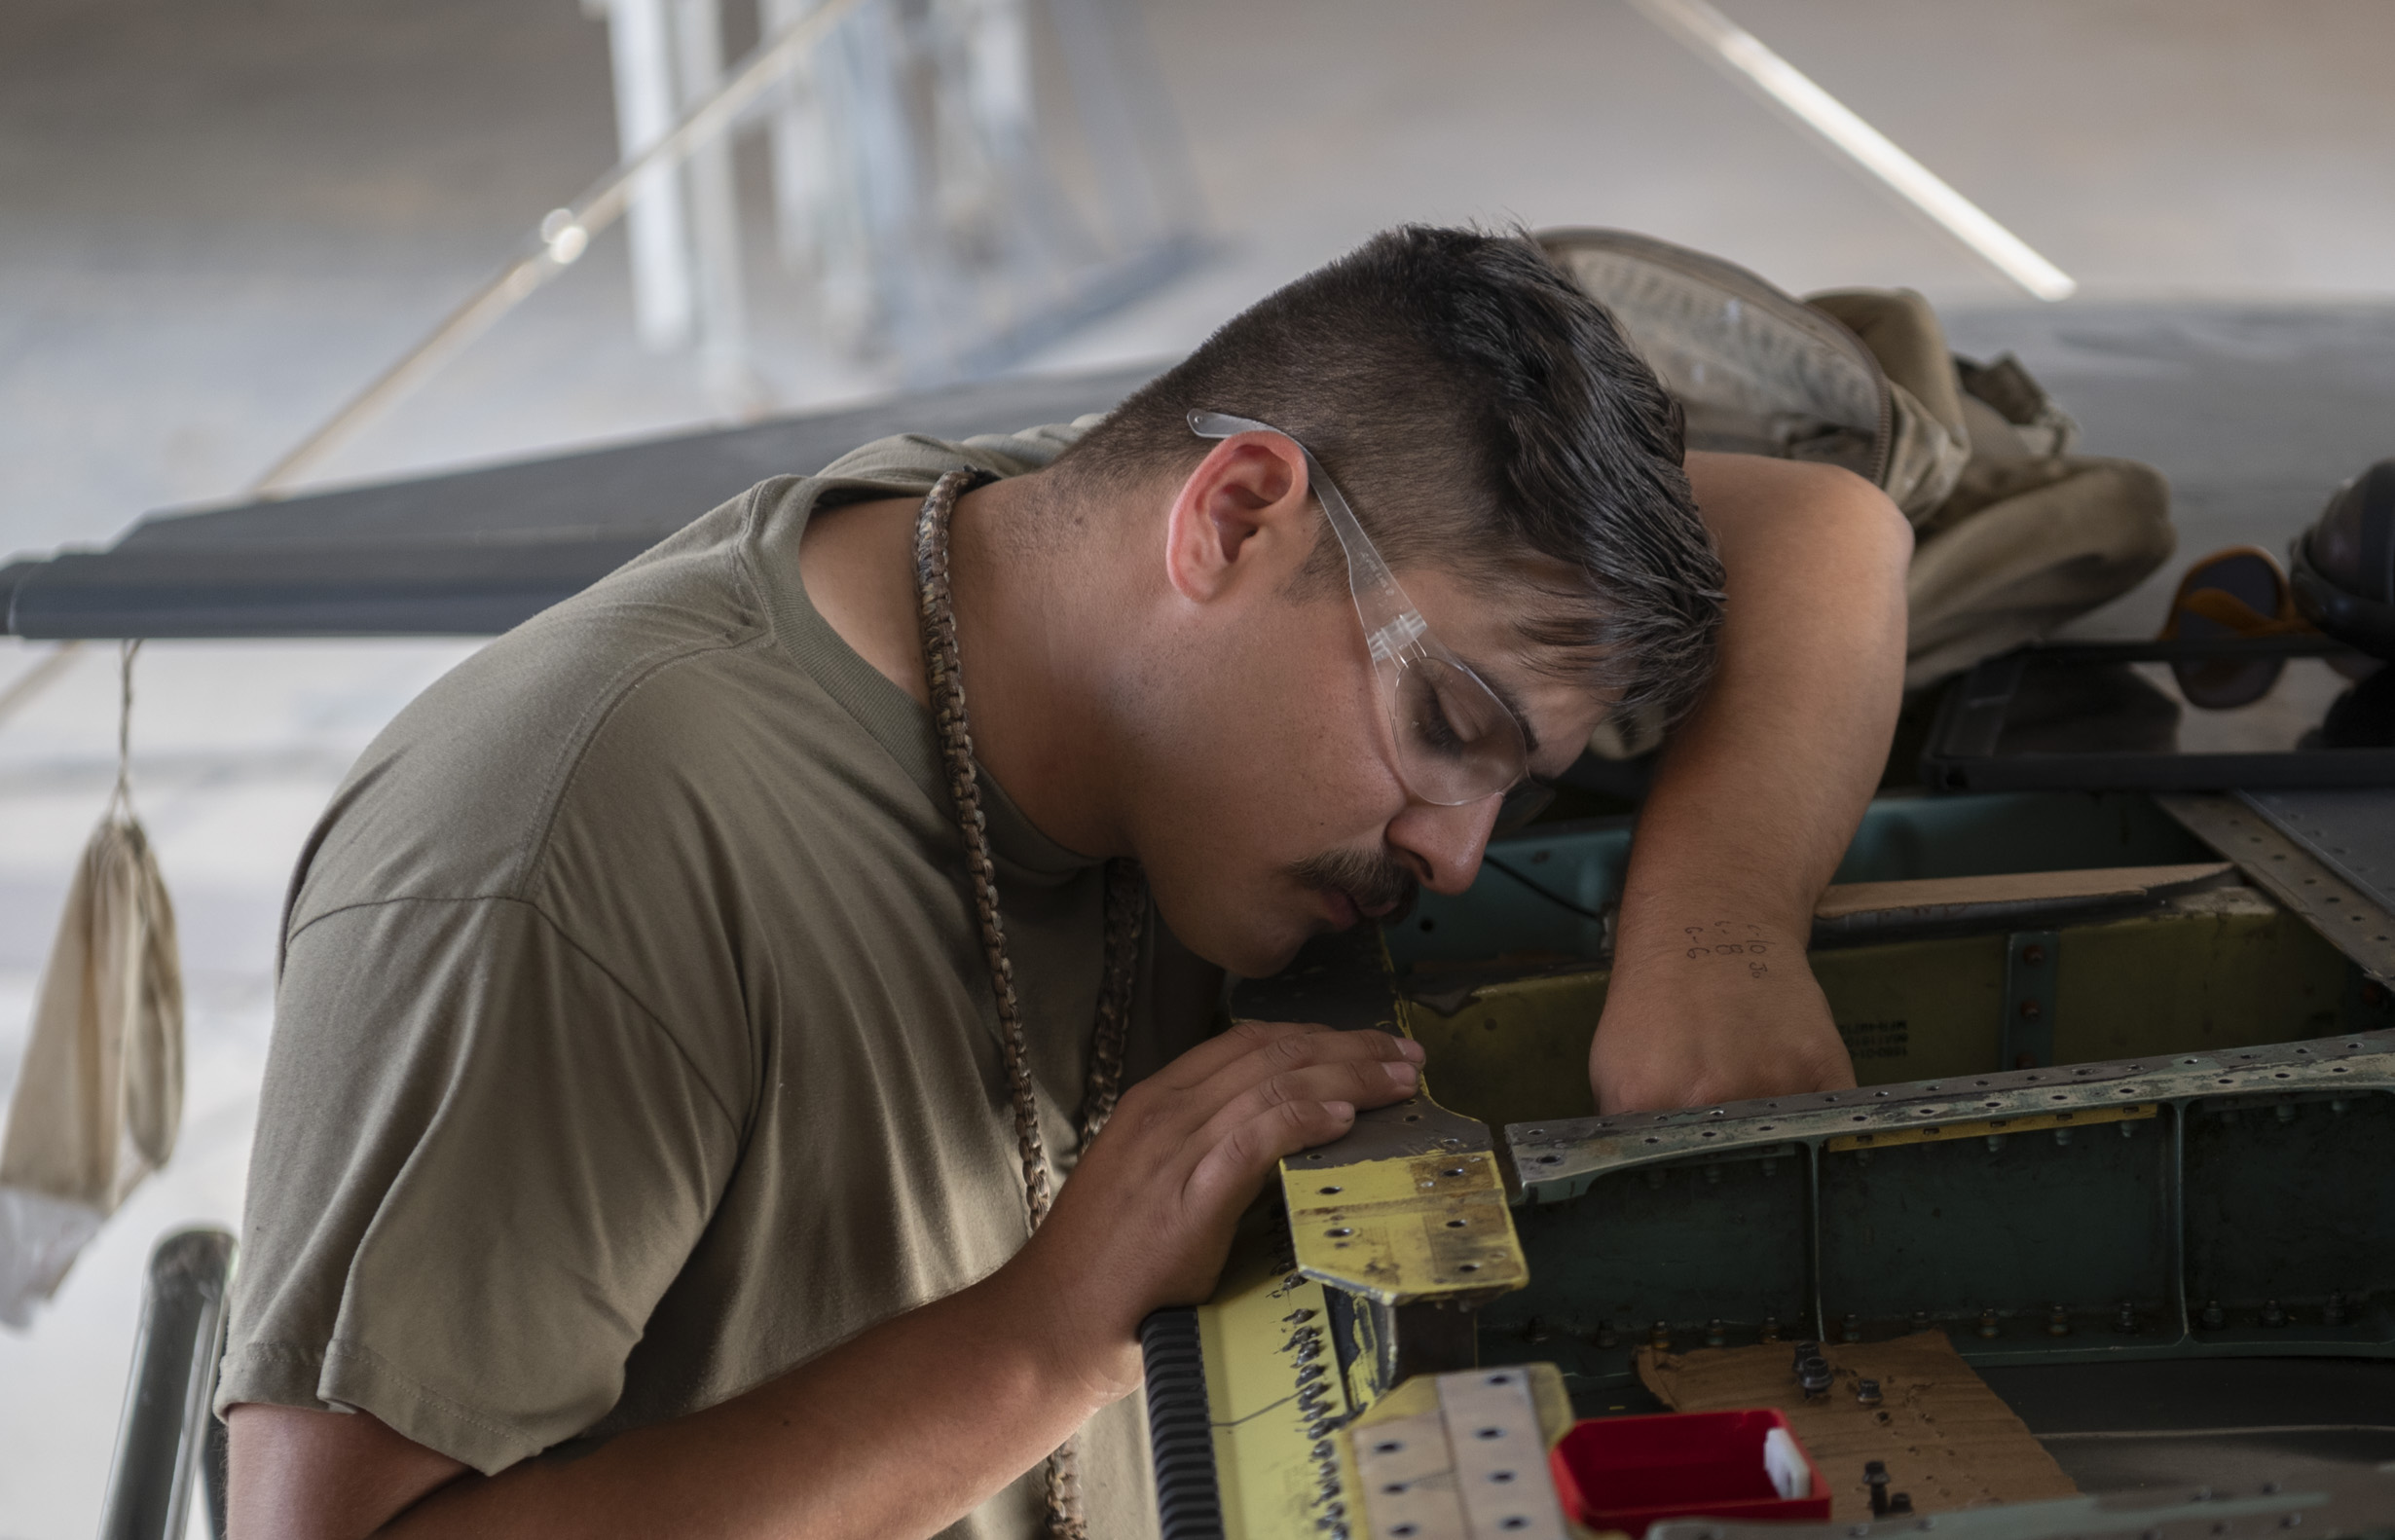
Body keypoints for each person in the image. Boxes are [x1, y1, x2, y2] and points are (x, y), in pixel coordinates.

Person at [222, 227, 1907, 1539]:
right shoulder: (565, 856)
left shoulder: (1079, 544)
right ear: (1232, 519)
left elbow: (1819, 528)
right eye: (1449, 729)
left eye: (1510, 781)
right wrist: (1048, 1333)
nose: (1456, 856)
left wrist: (1714, 936)